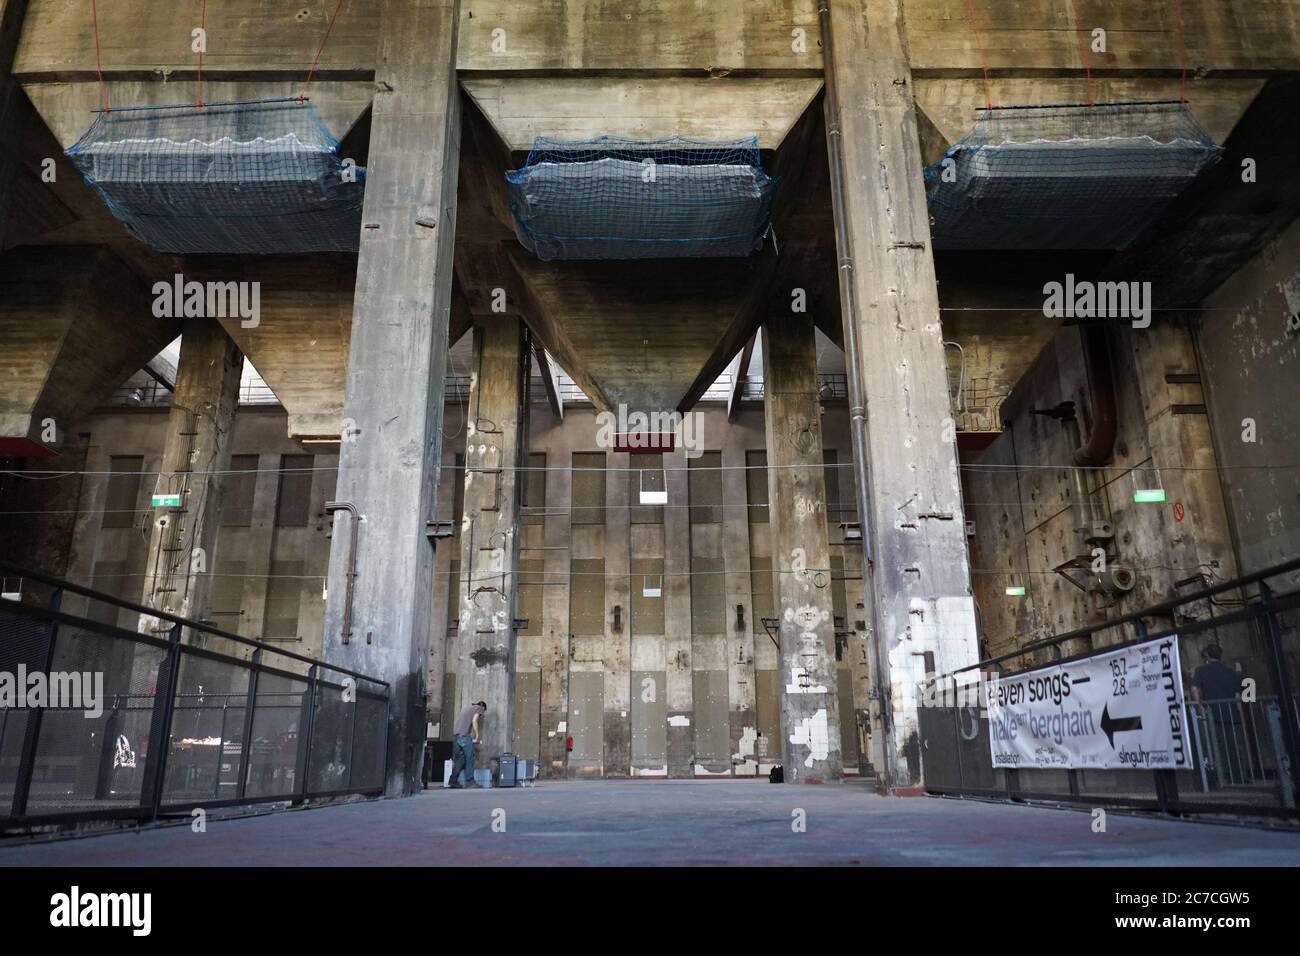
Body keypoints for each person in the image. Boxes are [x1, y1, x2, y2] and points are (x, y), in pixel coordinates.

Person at [1190, 644, 1243, 785]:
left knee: (1217, 745)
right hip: (1232, 712)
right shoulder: (1229, 671)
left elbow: (1195, 688)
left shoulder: (1201, 671)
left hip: (1214, 713)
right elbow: (1238, 693)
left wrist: (1200, 706)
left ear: (1207, 656)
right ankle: (1239, 775)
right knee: (1234, 746)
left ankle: (1223, 776)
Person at [448, 700, 487, 789]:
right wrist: (477, 736)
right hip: (464, 736)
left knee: (461, 759)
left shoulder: (466, 709)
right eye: (482, 713)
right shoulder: (479, 708)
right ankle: (470, 782)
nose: (481, 715)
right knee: (470, 757)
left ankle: (453, 780)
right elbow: (474, 721)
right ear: (483, 707)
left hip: (456, 737)